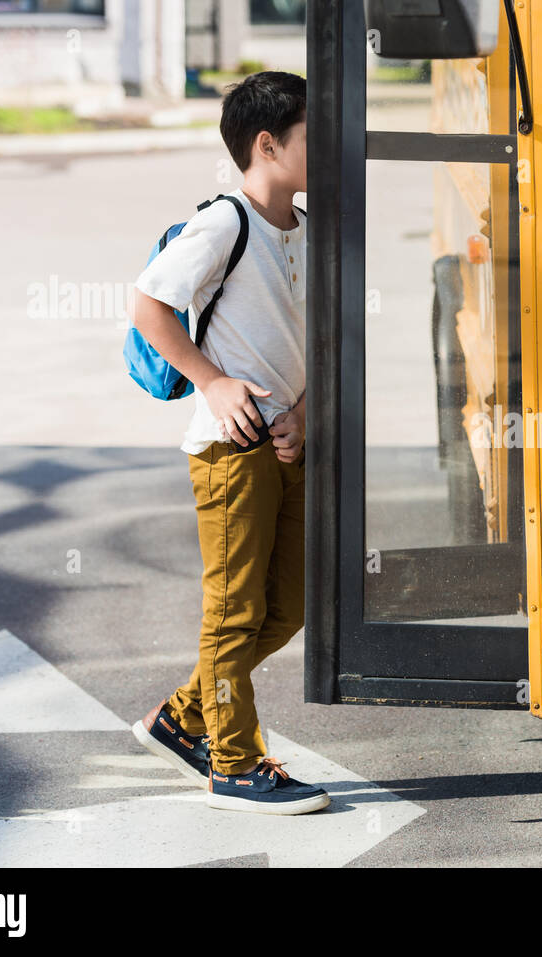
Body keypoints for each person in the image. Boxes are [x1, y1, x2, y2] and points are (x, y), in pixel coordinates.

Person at [128, 71, 328, 815]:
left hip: (284, 444)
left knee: (289, 608)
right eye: (314, 133)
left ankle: (182, 717)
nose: (329, 145)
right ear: (268, 144)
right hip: (228, 447)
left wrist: (304, 410)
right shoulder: (226, 223)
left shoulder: (305, 228)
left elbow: (309, 340)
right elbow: (149, 302)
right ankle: (234, 764)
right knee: (234, 611)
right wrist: (212, 382)